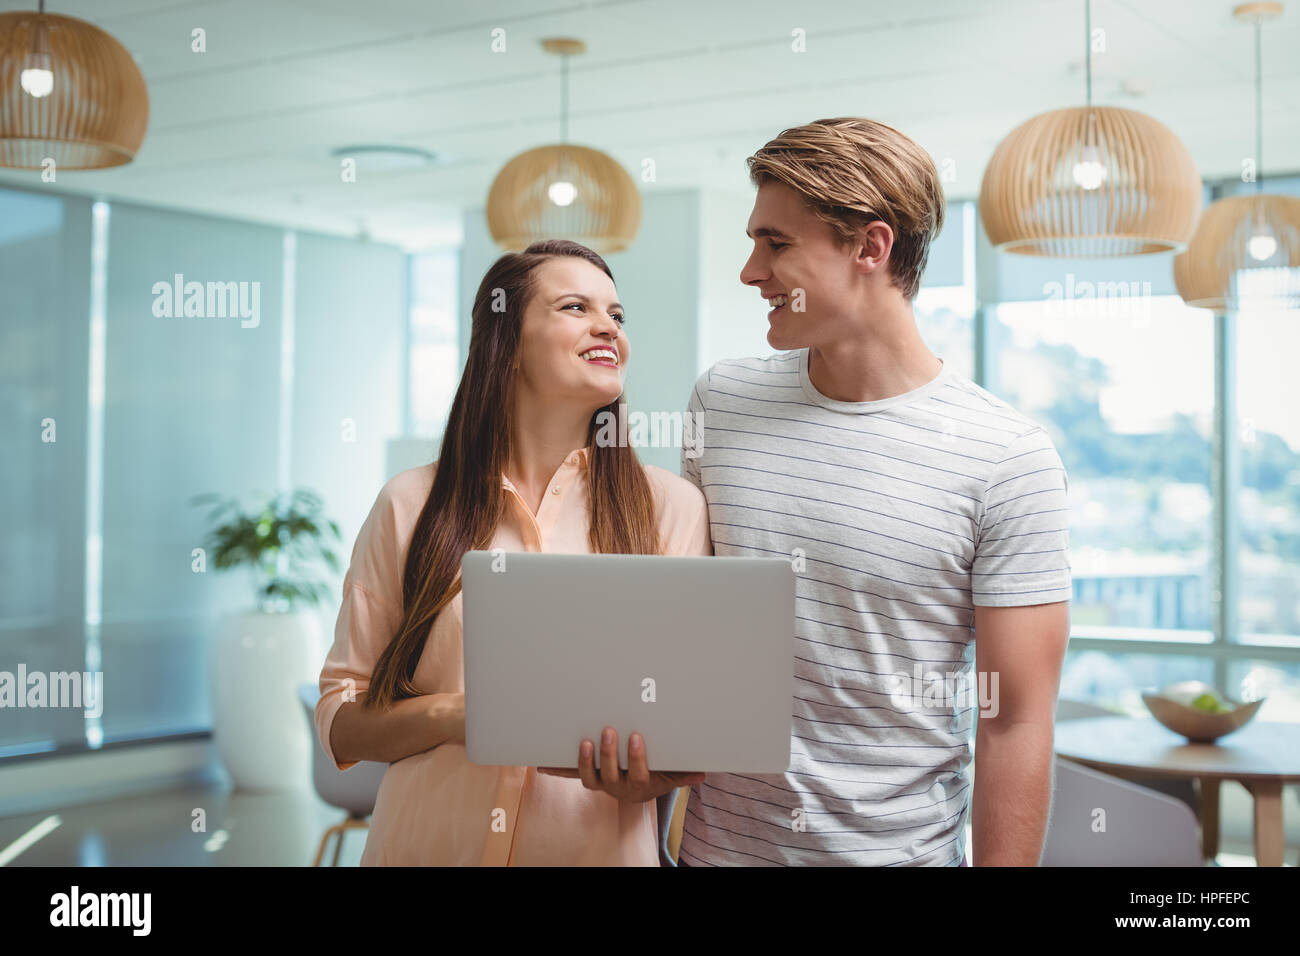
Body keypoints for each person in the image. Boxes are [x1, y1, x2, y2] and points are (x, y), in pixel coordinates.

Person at [673, 117, 1071, 866]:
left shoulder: (1007, 459)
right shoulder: (720, 403)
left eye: (776, 243)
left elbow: (1014, 721)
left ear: (870, 246)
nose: (749, 271)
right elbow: (686, 635)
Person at [314, 239, 709, 866]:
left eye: (617, 314)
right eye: (575, 307)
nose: (607, 326)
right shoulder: (409, 503)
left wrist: (651, 776)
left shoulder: (672, 509)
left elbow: (688, 735)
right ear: (508, 342)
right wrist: (456, 715)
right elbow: (342, 718)